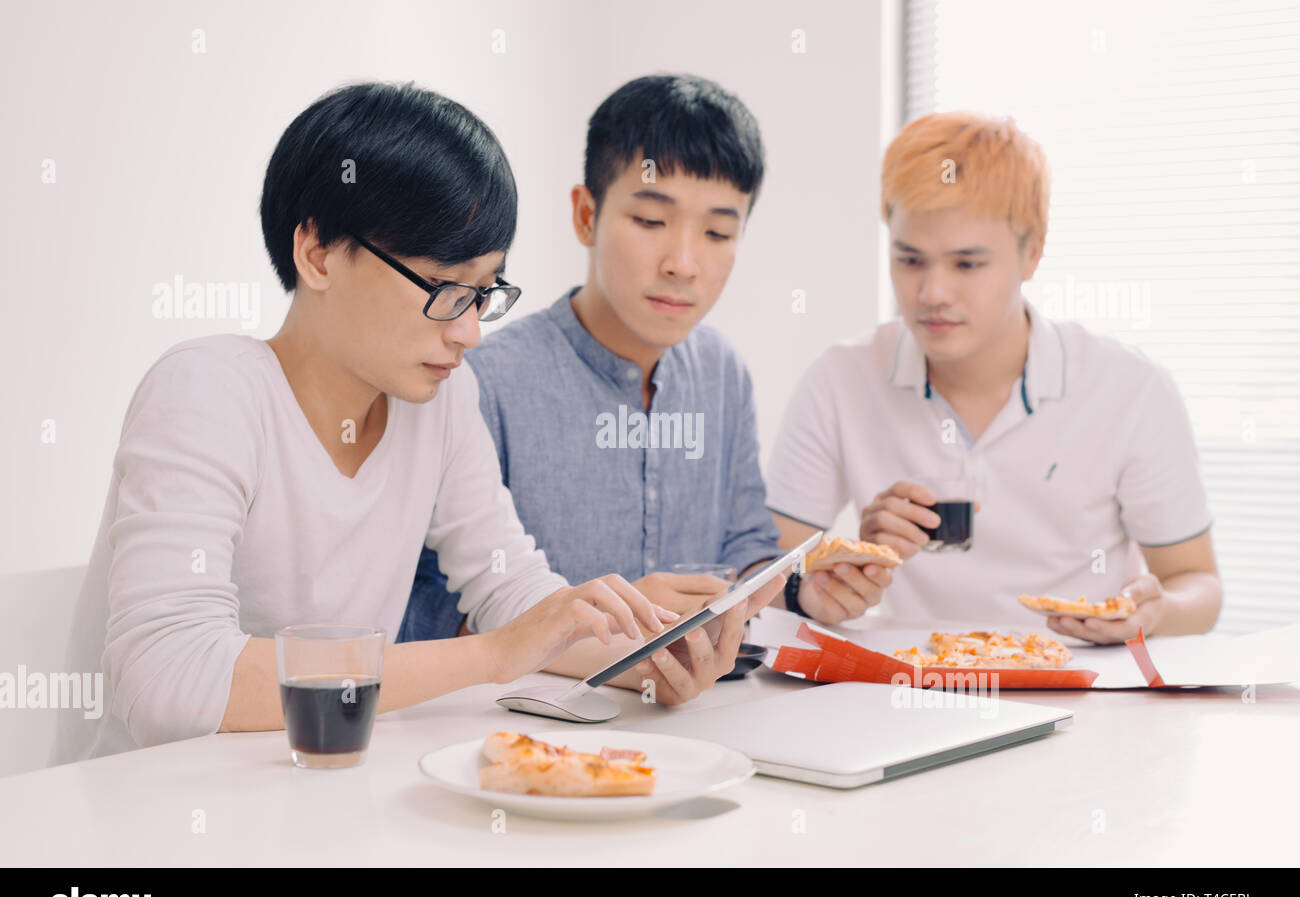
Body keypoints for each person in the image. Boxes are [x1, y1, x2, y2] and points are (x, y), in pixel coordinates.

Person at [52, 81, 781, 766]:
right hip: (151, 814)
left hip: (325, 795)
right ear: (317, 252)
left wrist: (651, 663)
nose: (469, 332)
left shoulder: (438, 403)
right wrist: (493, 655)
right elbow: (169, 683)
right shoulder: (207, 391)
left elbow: (515, 595)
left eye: (484, 292)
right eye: (443, 288)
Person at [398, 73, 888, 673]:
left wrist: (802, 588)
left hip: (699, 713)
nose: (683, 263)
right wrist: (605, 625)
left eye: (717, 232)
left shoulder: (722, 372)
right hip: (530, 724)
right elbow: (420, 609)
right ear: (586, 215)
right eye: (652, 222)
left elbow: (746, 549)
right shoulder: (482, 379)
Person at [764, 111, 1222, 641]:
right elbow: (772, 578)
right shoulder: (839, 379)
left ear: (1033, 252)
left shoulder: (1130, 388)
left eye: (967, 264)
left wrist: (1154, 611)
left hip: (1086, 687)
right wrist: (833, 576)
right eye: (910, 260)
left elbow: (1197, 583)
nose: (932, 293)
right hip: (909, 689)